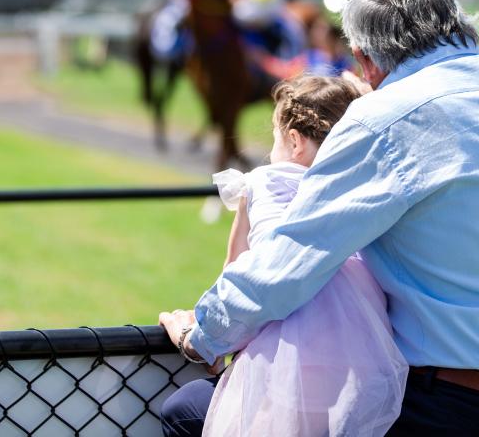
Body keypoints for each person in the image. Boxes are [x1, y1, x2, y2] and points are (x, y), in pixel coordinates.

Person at [161, 0, 479, 436]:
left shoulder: (383, 118)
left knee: (189, 411)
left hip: (456, 407)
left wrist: (202, 335)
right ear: (456, 22)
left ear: (363, 58)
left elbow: (288, 261)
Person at [160, 75, 407, 436]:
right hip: (365, 380)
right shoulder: (361, 195)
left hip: (286, 385)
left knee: (181, 409)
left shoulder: (263, 182)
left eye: (274, 138)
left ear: (294, 141)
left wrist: (196, 335)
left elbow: (235, 277)